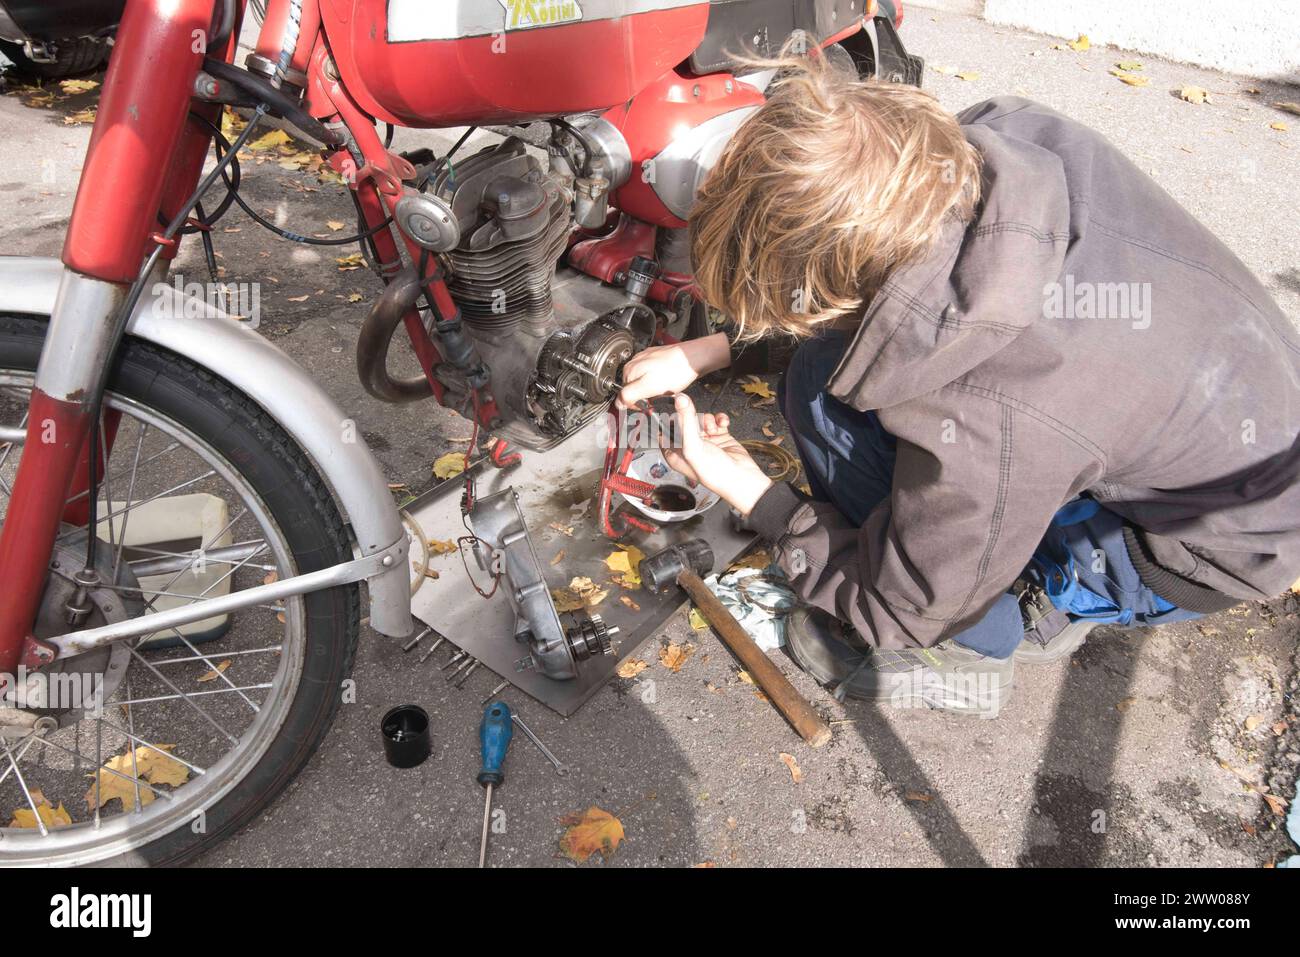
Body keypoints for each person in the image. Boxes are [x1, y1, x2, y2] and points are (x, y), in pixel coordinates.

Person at [616, 52, 1300, 716]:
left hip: (1200, 546)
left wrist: (757, 496)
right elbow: (888, 280)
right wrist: (718, 351)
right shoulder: (1002, 137)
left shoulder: (992, 415)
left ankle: (1005, 630)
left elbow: (899, 604)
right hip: (1233, 403)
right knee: (821, 380)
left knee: (926, 592)